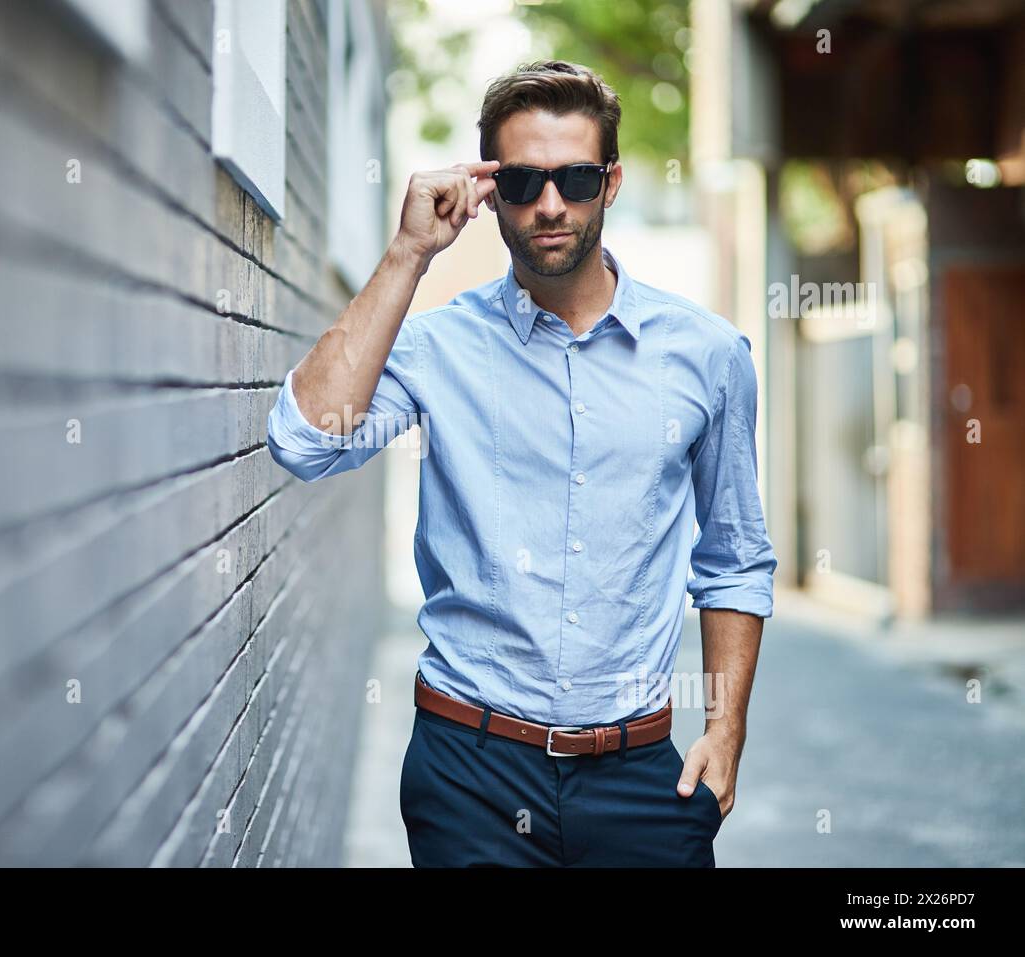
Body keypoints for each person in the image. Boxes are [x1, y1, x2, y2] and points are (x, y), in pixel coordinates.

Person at [265, 60, 777, 867]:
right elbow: (305, 442)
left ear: (610, 182)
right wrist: (408, 253)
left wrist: (726, 727)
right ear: (487, 189)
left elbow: (735, 559)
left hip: (644, 778)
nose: (549, 204)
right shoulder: (438, 347)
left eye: (574, 178)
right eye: (524, 180)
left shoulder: (707, 356)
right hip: (469, 775)